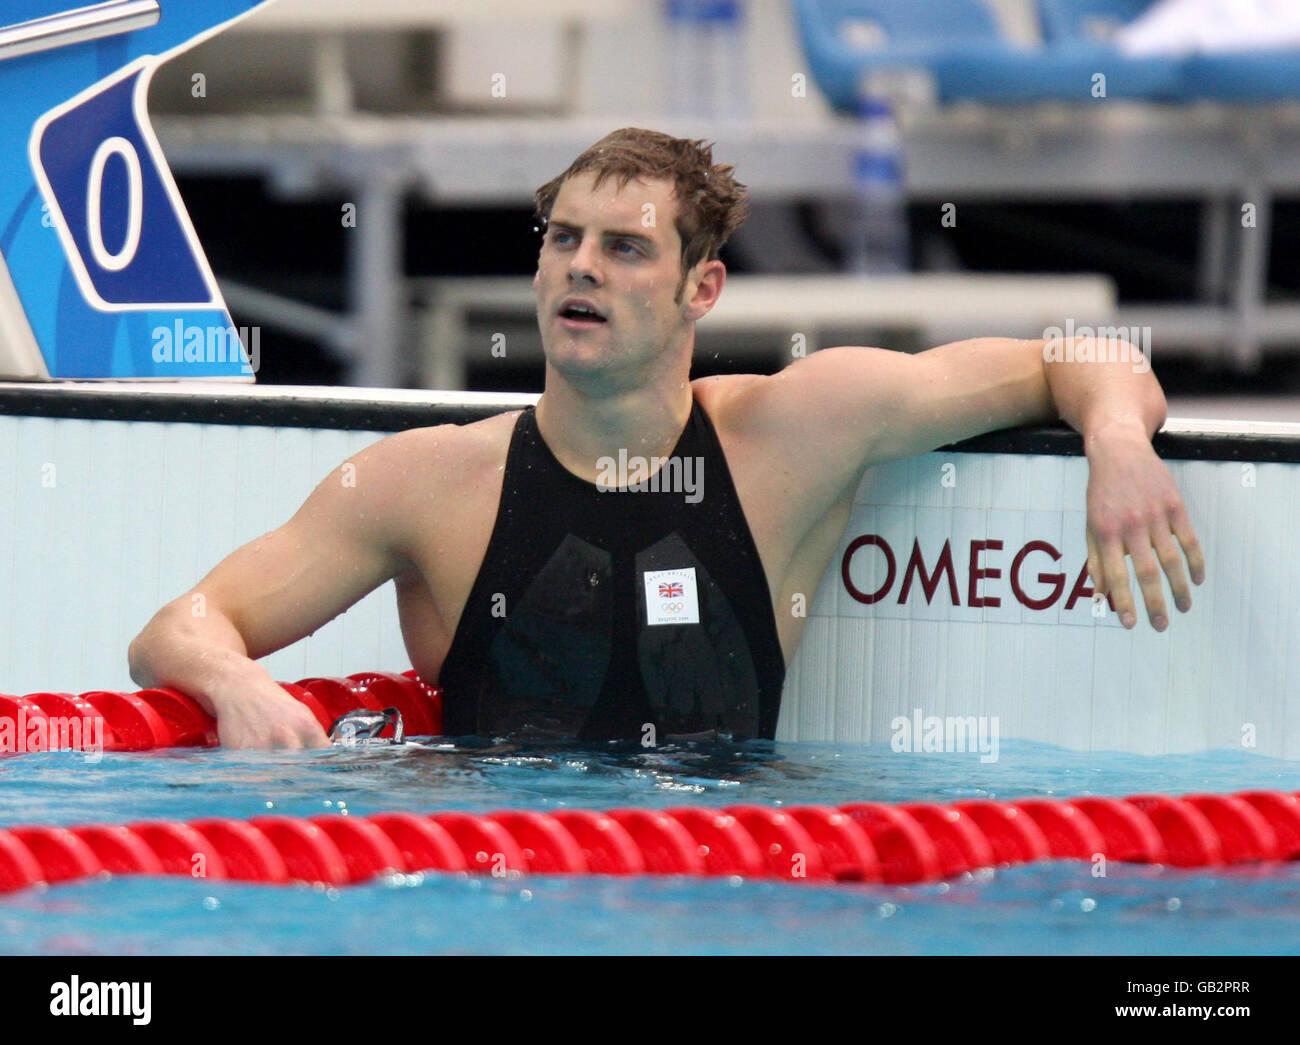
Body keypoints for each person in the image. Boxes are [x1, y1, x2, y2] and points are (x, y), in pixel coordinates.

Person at [128, 127, 1205, 749]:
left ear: (703, 287)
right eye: (563, 240)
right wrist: (235, 684)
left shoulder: (792, 431)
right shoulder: (424, 480)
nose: (580, 267)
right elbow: (179, 628)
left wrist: (1116, 443)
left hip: (718, 885)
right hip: (481, 890)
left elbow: (1081, 348)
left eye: (624, 248)